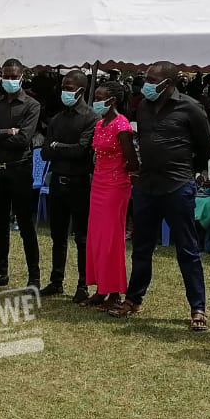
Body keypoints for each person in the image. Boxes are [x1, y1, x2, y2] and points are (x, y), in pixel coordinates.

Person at [112, 61, 210, 327]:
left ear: (168, 83)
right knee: (142, 247)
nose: (146, 84)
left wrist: (186, 169)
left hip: (177, 186)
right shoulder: (144, 106)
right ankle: (133, 299)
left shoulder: (190, 108)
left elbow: (206, 147)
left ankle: (198, 308)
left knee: (187, 249)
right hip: (147, 186)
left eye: (152, 80)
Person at [0, 59, 42, 288]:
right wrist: (6, 132)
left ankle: (34, 276)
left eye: (14, 76)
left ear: (22, 77)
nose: (9, 80)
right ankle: (0, 272)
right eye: (6, 76)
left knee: (25, 224)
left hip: (19, 170)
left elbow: (23, 139)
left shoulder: (32, 105)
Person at [40, 70, 97, 302]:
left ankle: (83, 284)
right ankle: (56, 280)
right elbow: (45, 152)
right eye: (63, 87)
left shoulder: (91, 118)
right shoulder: (57, 119)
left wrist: (58, 147)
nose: (65, 92)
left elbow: (81, 150)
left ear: (81, 90)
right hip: (57, 181)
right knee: (58, 236)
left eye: (69, 88)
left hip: (80, 183)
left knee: (81, 237)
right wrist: (63, 147)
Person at [84, 82, 137, 311]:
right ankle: (101, 289)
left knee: (111, 239)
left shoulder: (121, 125)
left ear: (112, 100)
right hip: (98, 182)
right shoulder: (99, 123)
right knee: (96, 237)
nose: (95, 100)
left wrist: (120, 174)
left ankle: (114, 293)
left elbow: (132, 160)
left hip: (115, 186)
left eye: (99, 97)